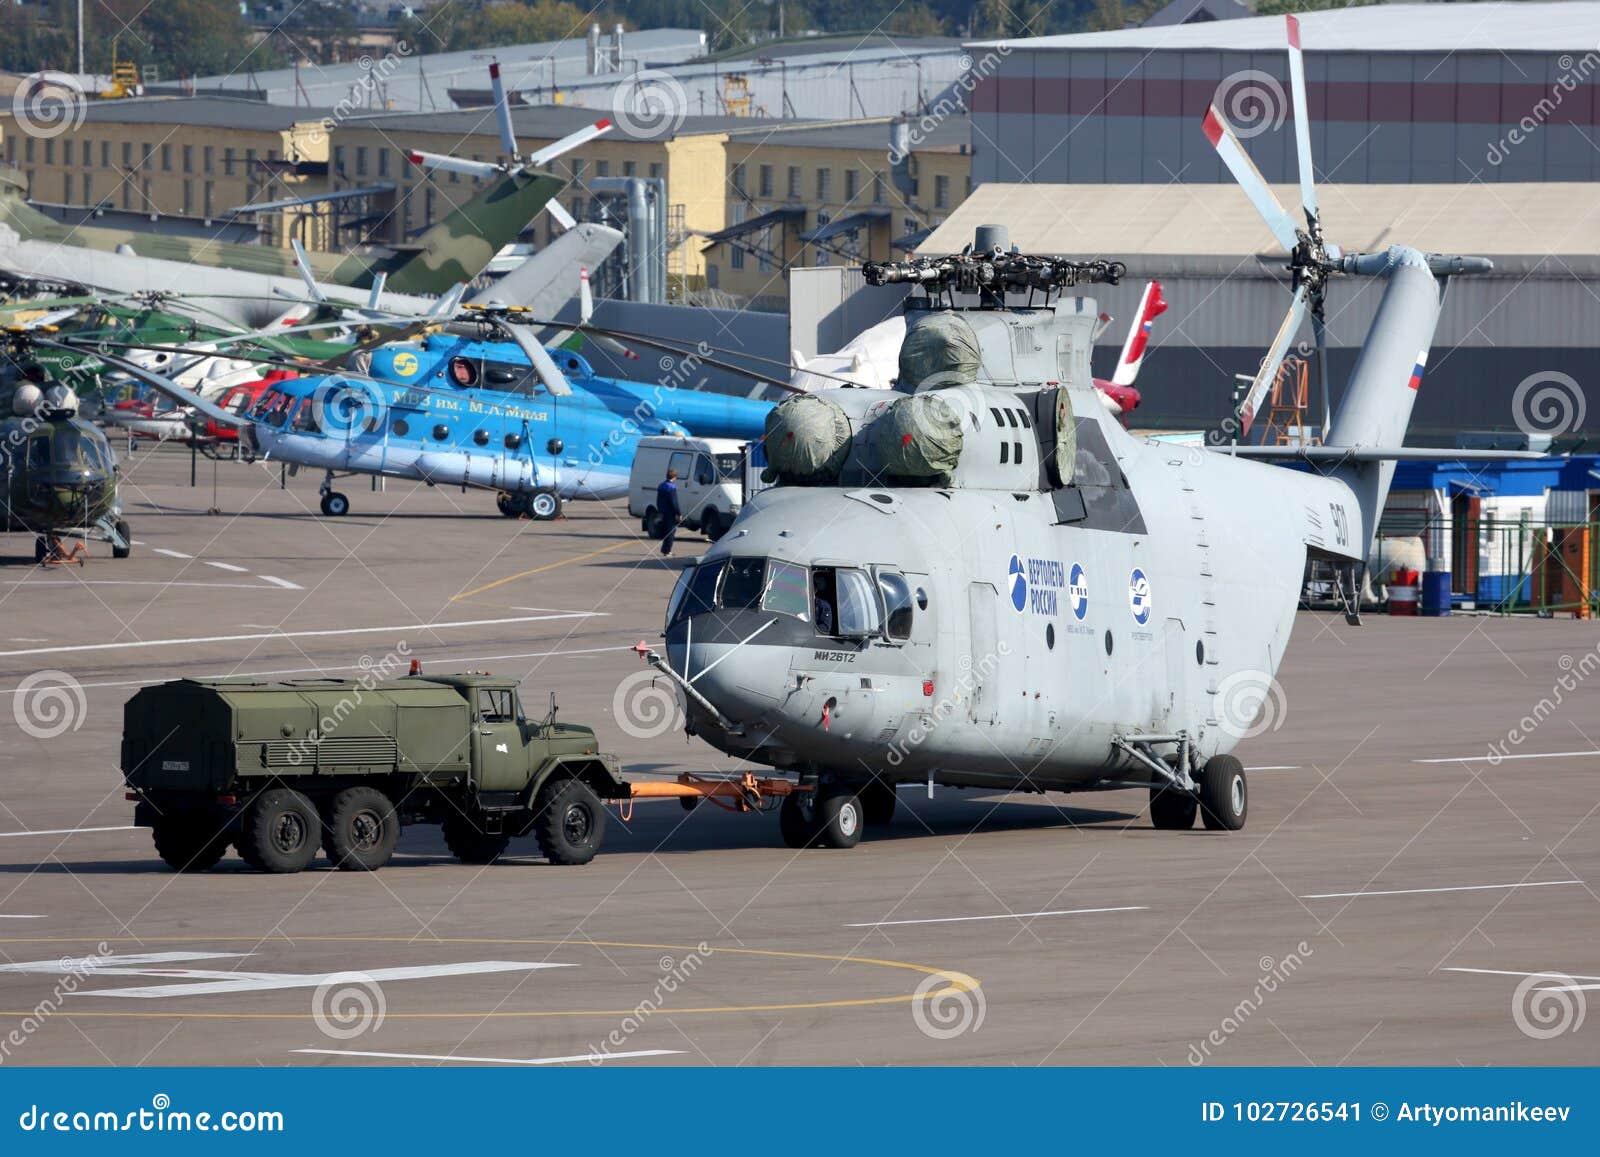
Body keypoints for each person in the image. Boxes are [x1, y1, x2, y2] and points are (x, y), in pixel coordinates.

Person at [656, 468, 682, 555]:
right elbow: (674, 502)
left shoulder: (661, 485)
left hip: (663, 512)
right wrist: (679, 513)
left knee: (666, 531)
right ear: (674, 477)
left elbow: (658, 501)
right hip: (670, 513)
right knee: (671, 532)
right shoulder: (671, 487)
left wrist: (660, 510)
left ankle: (664, 549)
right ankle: (667, 551)